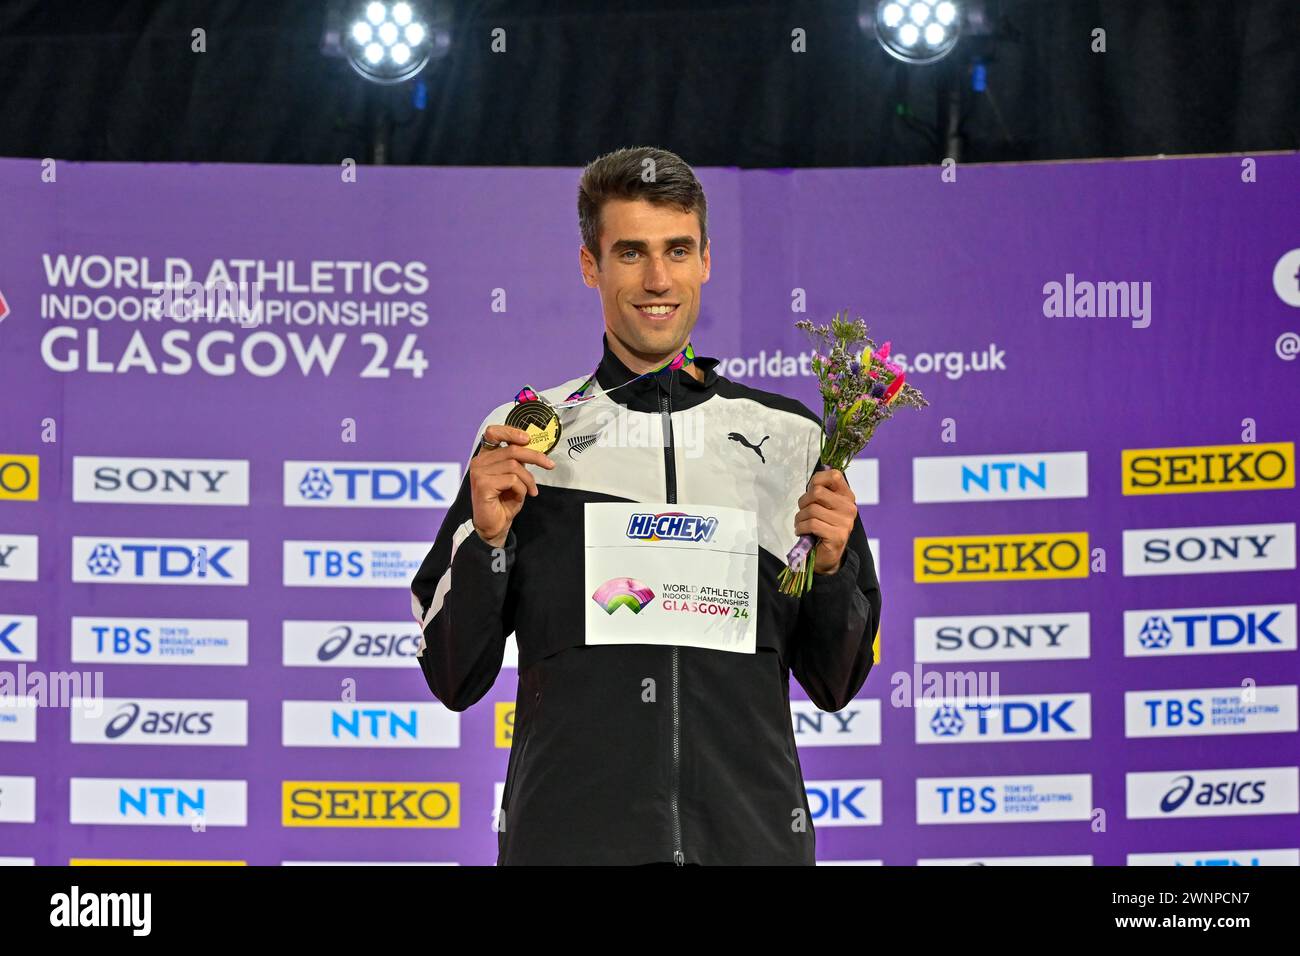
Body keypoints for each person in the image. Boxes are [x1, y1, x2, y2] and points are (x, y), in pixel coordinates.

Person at [410, 146, 881, 865]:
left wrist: (834, 565)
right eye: (630, 253)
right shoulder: (525, 435)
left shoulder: (789, 438)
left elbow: (834, 680)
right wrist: (486, 541)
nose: (658, 279)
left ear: (705, 260)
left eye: (677, 250)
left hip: (749, 846)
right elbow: (454, 676)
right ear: (590, 266)